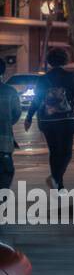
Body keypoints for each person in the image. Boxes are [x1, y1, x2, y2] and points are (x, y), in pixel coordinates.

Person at [24, 48, 74, 189]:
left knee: (54, 152)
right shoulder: (71, 77)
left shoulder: (42, 79)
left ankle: (59, 186)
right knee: (67, 153)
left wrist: (28, 117)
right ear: (65, 60)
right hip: (65, 119)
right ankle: (56, 178)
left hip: (46, 120)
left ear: (49, 61)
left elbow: (36, 100)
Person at [0, 59, 22, 191]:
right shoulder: (10, 92)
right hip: (4, 143)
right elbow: (16, 114)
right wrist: (6, 123)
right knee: (5, 174)